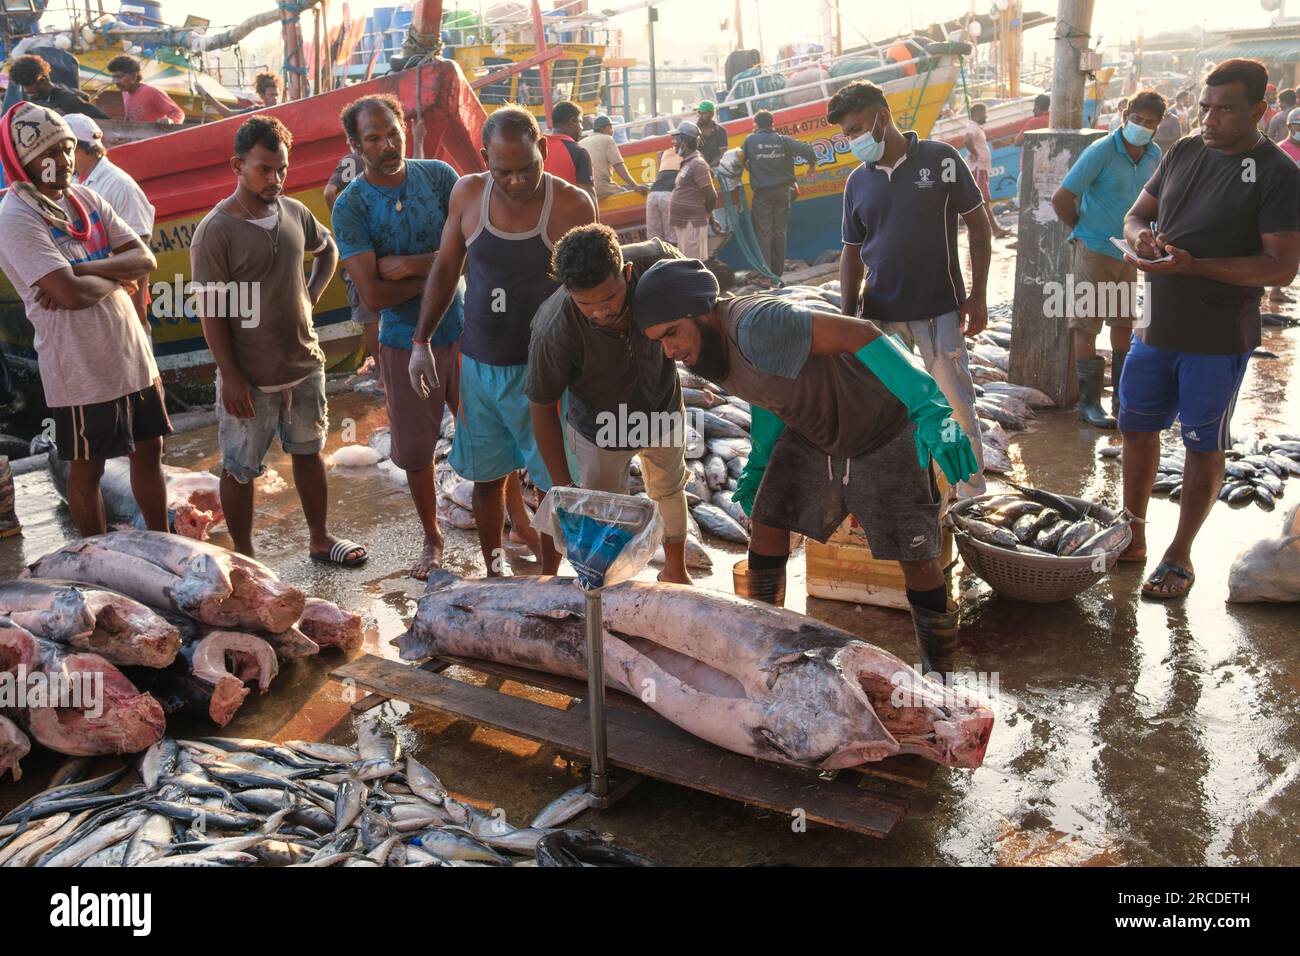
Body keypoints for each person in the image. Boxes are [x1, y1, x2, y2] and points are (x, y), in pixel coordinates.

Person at [632, 258, 979, 676]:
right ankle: (763, 646)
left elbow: (861, 332)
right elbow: (769, 390)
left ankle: (938, 671)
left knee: (917, 554)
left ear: (702, 311)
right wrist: (761, 459)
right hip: (813, 433)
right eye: (659, 342)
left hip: (884, 428)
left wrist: (929, 407)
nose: (670, 351)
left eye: (672, 333)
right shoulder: (707, 349)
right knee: (767, 518)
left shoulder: (757, 324)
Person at [1119, 59, 1299, 599]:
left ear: (1259, 111)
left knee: (1202, 444)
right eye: (1205, 108)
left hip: (1218, 337)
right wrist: (1141, 241)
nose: (1210, 120)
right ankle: (1132, 532)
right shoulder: (1183, 151)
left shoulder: (1277, 173)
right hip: (1154, 327)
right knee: (1135, 428)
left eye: (1225, 110)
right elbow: (1135, 215)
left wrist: (1194, 265)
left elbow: (1281, 267)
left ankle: (1179, 554)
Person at [412, 106, 597, 576]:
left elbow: (592, 292)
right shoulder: (468, 193)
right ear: (484, 159)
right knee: (487, 478)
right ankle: (495, 570)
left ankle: (551, 578)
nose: (516, 181)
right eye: (504, 171)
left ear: (545, 150)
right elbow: (445, 268)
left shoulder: (574, 205)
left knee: (552, 485)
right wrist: (421, 343)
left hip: (546, 375)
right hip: (479, 368)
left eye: (527, 168)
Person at [190, 116, 365, 567]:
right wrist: (230, 375)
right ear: (237, 165)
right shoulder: (215, 231)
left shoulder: (294, 212)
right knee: (239, 468)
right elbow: (212, 311)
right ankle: (246, 555)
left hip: (305, 364)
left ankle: (320, 538)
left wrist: (311, 294)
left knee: (309, 452)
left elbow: (328, 250)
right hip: (250, 375)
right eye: (265, 169)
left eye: (282, 169)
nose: (276, 179)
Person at [331, 95, 481, 577]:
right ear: (355, 145)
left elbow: (474, 252)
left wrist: (412, 267)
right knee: (415, 452)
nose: (386, 144)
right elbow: (373, 296)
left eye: (392, 132)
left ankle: (513, 521)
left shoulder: (439, 177)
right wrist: (444, 265)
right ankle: (432, 539)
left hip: (464, 328)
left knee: (486, 432)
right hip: (402, 340)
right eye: (372, 138)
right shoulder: (351, 206)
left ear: (405, 129)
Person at [0, 103, 166, 537]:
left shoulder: (87, 198)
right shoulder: (15, 218)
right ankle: (98, 555)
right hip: (80, 366)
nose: (65, 161)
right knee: (86, 465)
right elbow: (69, 296)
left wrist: (87, 269)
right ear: (23, 161)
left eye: (69, 149)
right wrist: (114, 273)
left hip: (132, 352)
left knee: (150, 450)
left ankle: (163, 542)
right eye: (50, 153)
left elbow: (143, 257)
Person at [828, 79, 991, 499]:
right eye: (847, 133)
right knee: (888, 414)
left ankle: (971, 502)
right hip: (881, 318)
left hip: (939, 313)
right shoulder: (856, 183)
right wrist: (849, 318)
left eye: (857, 128)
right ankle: (907, 499)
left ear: (882, 118)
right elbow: (851, 252)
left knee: (957, 412)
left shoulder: (941, 159)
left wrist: (977, 296)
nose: (853, 140)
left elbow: (978, 226)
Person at [526, 224, 694, 584]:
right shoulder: (553, 328)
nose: (599, 312)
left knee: (669, 488)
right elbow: (541, 406)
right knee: (605, 511)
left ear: (628, 274)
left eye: (609, 300)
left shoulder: (657, 265)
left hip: (660, 406)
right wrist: (563, 486)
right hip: (597, 426)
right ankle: (613, 581)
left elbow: (703, 301)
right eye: (585, 304)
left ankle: (675, 568)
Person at [1051, 90, 1166, 429]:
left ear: (1158, 125)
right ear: (1125, 113)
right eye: (1138, 119)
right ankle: (1089, 404)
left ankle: (1121, 397)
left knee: (1123, 322)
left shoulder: (1154, 154)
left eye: (1149, 123)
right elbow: (1062, 197)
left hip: (1130, 253)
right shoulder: (1100, 151)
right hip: (1094, 248)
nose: (1142, 127)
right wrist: (1082, 230)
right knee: (1086, 324)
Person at [64, 113, 156, 327]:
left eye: (64, 149)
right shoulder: (76, 181)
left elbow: (141, 247)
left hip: (125, 296)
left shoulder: (119, 184)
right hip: (95, 294)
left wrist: (139, 308)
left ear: (77, 147)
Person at [741, 109, 818, 281]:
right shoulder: (784, 140)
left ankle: (765, 274)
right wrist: (811, 166)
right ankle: (777, 272)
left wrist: (750, 165)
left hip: (762, 195)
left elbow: (740, 160)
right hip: (784, 192)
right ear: (772, 123)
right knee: (780, 231)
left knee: (764, 233)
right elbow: (807, 149)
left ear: (756, 125)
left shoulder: (750, 140)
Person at [323, 149, 381, 371]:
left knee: (370, 318)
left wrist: (341, 227)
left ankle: (383, 375)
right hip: (385, 243)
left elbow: (329, 192)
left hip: (359, 247)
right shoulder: (381, 158)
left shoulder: (351, 160)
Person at [668, 120, 716, 261]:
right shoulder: (688, 162)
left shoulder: (698, 164)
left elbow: (711, 196)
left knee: (692, 264)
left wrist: (705, 216)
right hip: (685, 223)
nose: (674, 142)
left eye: (677, 138)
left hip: (692, 223)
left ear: (685, 141)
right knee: (686, 263)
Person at [6, 55, 108, 119]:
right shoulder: (37, 99)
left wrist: (67, 120)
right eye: (23, 86)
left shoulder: (68, 100)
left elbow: (104, 121)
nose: (26, 90)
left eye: (28, 85)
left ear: (43, 79)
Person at [964, 102, 1010, 238]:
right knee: (982, 200)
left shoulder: (975, 127)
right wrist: (975, 153)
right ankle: (995, 229)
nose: (986, 117)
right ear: (978, 114)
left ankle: (983, 230)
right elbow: (967, 140)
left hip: (982, 168)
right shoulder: (972, 127)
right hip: (979, 167)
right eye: (985, 114)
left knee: (982, 200)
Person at [580, 114, 648, 201]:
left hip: (586, 192)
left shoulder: (581, 142)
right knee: (625, 192)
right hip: (602, 189)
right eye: (610, 128)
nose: (612, 131)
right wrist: (634, 186)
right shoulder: (607, 139)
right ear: (602, 129)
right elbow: (618, 165)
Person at [106, 55, 185, 125]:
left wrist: (170, 121)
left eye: (119, 77)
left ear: (134, 76)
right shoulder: (125, 93)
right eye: (114, 77)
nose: (115, 82)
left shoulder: (151, 92)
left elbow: (178, 113)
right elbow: (129, 119)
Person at [543, 100, 595, 205]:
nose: (582, 127)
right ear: (571, 122)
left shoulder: (536, 147)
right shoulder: (578, 152)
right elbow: (589, 196)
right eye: (580, 122)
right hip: (569, 217)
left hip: (539, 218)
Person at [199, 71, 283, 118]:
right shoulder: (255, 112)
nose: (275, 98)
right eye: (271, 95)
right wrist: (206, 94)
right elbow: (228, 114)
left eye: (277, 95)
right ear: (262, 96)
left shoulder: (284, 109)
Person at [645, 143, 682, 242]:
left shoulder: (666, 153)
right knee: (673, 239)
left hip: (652, 195)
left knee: (655, 240)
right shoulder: (689, 154)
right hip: (669, 195)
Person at [695, 100, 729, 166]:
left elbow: (723, 154)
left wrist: (709, 167)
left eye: (703, 113)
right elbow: (692, 153)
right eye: (699, 113)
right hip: (700, 167)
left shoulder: (721, 131)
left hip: (716, 167)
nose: (700, 116)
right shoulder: (694, 130)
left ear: (712, 114)